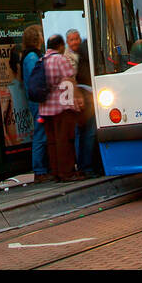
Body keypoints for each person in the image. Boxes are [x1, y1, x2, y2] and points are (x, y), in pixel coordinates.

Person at [39, 36, 83, 182]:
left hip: (45, 108)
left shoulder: (42, 60)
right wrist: (77, 98)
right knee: (65, 140)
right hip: (61, 107)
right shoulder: (60, 59)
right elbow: (69, 79)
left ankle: (56, 172)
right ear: (60, 45)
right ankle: (67, 172)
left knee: (52, 142)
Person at [67, 29, 99, 177]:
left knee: (81, 133)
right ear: (67, 42)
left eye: (76, 39)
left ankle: (83, 166)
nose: (75, 42)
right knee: (89, 132)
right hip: (84, 96)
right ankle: (86, 167)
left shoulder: (75, 53)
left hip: (80, 96)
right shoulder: (75, 55)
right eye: (72, 40)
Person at [22, 25, 50, 183]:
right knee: (40, 133)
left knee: (41, 132)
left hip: (36, 100)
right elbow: (37, 77)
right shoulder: (33, 57)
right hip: (38, 101)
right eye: (40, 35)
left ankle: (42, 169)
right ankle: (39, 170)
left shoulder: (29, 55)